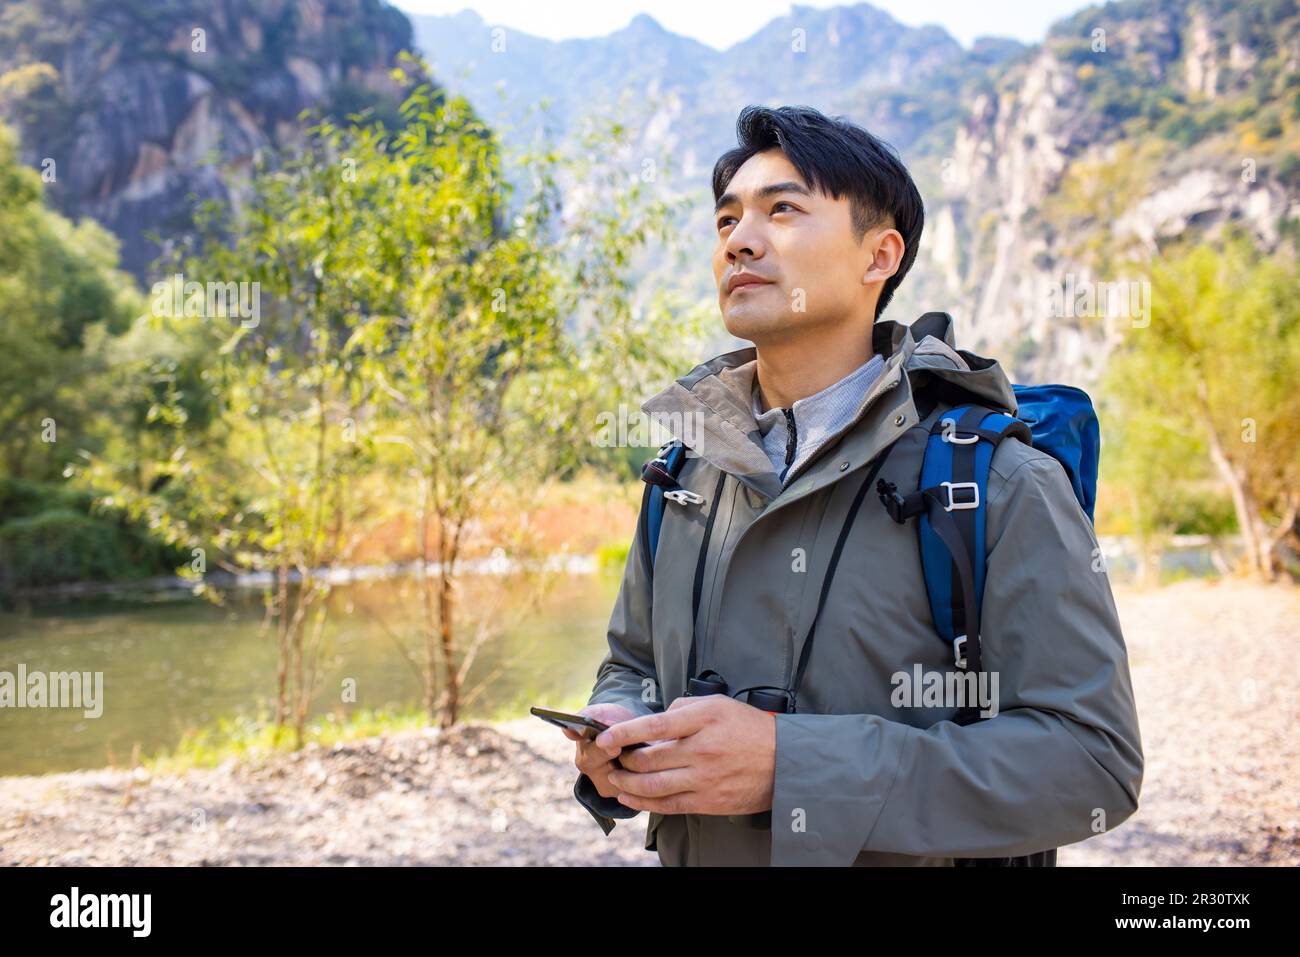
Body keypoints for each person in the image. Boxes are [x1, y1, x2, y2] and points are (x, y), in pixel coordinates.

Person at [558, 104, 1143, 866]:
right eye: (726, 219)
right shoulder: (686, 471)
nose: (739, 238)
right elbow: (631, 664)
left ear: (880, 256)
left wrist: (791, 766)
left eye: (783, 210)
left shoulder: (993, 480)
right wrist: (623, 729)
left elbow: (1091, 761)